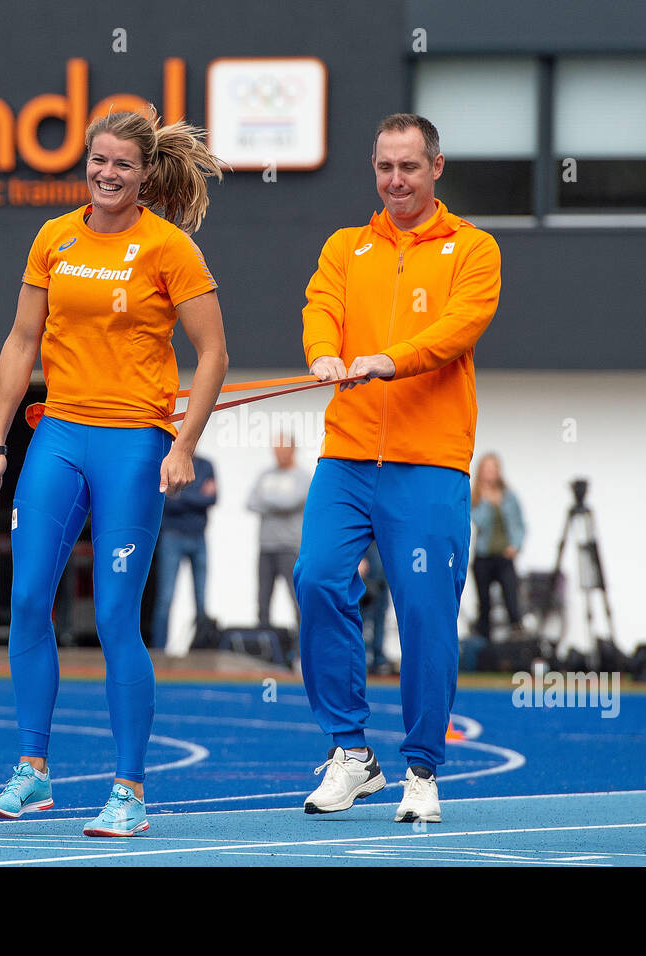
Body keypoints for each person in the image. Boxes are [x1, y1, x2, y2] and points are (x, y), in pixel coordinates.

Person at [0, 110, 227, 837]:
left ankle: (129, 790)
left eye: (121, 164)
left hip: (134, 446)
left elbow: (213, 354)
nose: (107, 174)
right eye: (97, 161)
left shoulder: (169, 247)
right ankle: (32, 771)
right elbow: (22, 341)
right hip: (58, 435)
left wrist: (183, 444)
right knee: (28, 601)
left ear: (145, 173)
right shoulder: (53, 238)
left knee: (117, 616)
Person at [293, 113, 501, 823]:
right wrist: (323, 353)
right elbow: (320, 306)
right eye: (385, 167)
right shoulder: (346, 248)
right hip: (348, 457)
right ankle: (351, 754)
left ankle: (421, 771)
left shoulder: (473, 249)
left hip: (428, 463)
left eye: (409, 166)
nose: (395, 180)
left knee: (424, 614)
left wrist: (391, 358)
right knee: (316, 578)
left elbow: (457, 329)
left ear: (436, 167)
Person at [150, 455, 217, 650]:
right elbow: (165, 499)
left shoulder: (206, 465)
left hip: (199, 537)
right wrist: (197, 494)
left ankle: (202, 648)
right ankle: (159, 650)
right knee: (165, 597)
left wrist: (180, 494)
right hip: (173, 536)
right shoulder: (168, 463)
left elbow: (212, 498)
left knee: (201, 598)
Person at [247, 435, 312, 631]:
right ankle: (265, 647)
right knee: (263, 600)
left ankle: (302, 648)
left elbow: (290, 502)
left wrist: (266, 498)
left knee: (296, 598)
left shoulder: (302, 477)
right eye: (276, 450)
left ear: (293, 450)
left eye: (282, 450)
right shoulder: (265, 474)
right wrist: (279, 501)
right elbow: (250, 502)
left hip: (289, 547)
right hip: (266, 546)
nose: (278, 454)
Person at [470, 452, 526, 638]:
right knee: (484, 605)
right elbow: (479, 522)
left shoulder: (509, 496)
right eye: (487, 470)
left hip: (504, 557)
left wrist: (516, 545)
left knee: (512, 600)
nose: (490, 474)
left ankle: (517, 643)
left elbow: (519, 524)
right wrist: (486, 500)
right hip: (483, 557)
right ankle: (485, 648)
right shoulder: (476, 497)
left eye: (494, 469)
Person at [358, 541, 392, 675]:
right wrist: (360, 557)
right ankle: (363, 656)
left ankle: (377, 658)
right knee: (365, 613)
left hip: (383, 556)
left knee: (380, 613)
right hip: (369, 554)